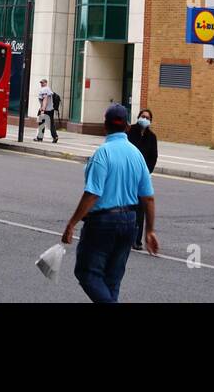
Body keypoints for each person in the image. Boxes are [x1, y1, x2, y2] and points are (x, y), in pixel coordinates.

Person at [61, 104, 158, 303]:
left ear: (104, 126)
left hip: (102, 222)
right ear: (127, 127)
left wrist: (71, 224)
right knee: (112, 279)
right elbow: (148, 197)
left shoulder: (102, 154)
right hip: (130, 222)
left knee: (87, 273)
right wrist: (149, 231)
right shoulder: (136, 155)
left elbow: (92, 194)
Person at [127, 109, 158, 251]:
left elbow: (153, 157)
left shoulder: (152, 137)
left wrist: (147, 172)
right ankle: (125, 236)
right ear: (138, 117)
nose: (144, 119)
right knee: (127, 207)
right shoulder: (130, 131)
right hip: (127, 175)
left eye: (147, 117)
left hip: (142, 178)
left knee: (140, 209)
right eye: (142, 116)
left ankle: (136, 240)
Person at [34, 78, 57, 143]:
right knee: (51, 124)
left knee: (41, 123)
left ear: (46, 83)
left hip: (45, 109)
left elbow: (45, 99)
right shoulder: (49, 89)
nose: (41, 84)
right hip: (51, 109)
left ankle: (40, 138)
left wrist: (43, 109)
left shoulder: (44, 89)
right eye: (41, 82)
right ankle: (55, 136)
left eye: (43, 82)